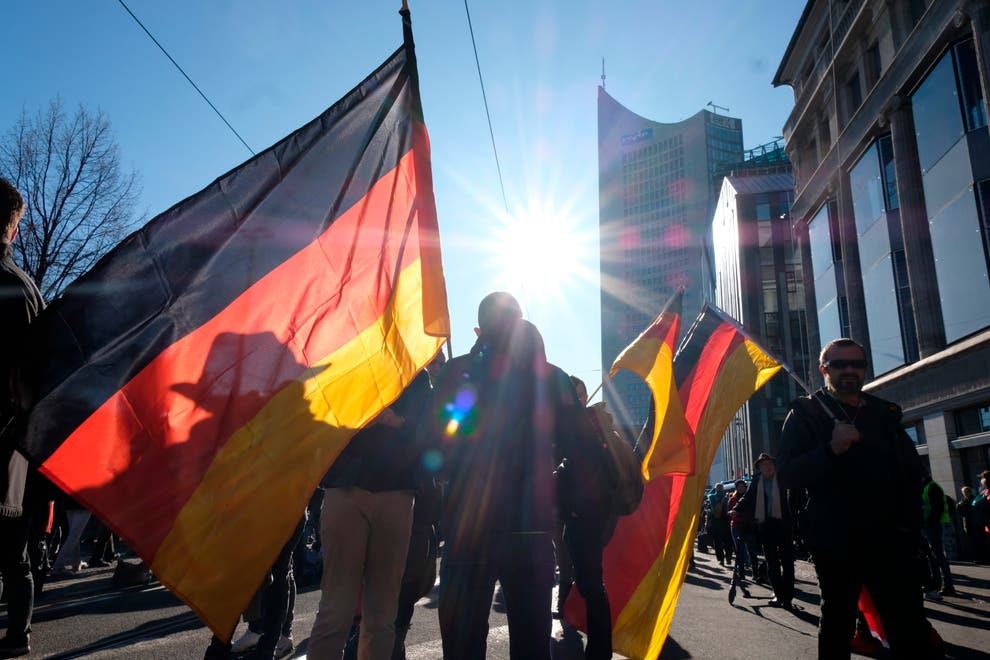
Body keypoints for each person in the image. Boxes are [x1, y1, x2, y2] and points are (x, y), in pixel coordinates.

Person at [427, 292, 581, 659]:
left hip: (468, 529)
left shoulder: (458, 374)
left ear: (480, 328)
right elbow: (578, 450)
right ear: (520, 320)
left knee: (463, 646)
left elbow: (434, 446)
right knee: (531, 645)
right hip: (531, 531)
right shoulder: (550, 378)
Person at [777, 338, 933, 658]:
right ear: (824, 370)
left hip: (890, 536)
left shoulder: (883, 412)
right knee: (838, 620)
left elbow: (912, 471)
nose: (849, 370)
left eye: (857, 364)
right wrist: (830, 450)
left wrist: (912, 526)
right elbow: (788, 474)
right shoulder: (807, 412)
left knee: (906, 624)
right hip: (836, 539)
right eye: (839, 364)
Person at [307, 362, 432, 658]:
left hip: (397, 492)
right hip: (346, 488)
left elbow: (431, 434)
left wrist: (396, 421)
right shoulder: (346, 360)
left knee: (381, 615)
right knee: (335, 611)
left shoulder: (416, 371)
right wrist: (358, 416)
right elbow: (321, 415)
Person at [0, 178, 45, 658]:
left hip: (7, 430)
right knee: (14, 548)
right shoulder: (26, 287)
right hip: (15, 440)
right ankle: (19, 633)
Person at [555, 375, 614, 660]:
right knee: (587, 582)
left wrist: (577, 507)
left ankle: (599, 651)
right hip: (574, 519)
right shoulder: (572, 426)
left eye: (581, 394)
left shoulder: (595, 428)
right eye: (572, 395)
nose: (577, 399)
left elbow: (594, 476)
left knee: (592, 585)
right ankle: (596, 645)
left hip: (588, 519)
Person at [735, 453, 795, 608]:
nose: (767, 468)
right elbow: (747, 498)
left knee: (787, 562)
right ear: (760, 468)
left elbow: (795, 498)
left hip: (783, 525)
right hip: (766, 525)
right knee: (772, 562)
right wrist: (736, 509)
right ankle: (778, 593)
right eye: (763, 465)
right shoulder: (756, 481)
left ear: (774, 466)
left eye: (769, 465)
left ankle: (787, 596)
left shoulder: (783, 478)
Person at [921, 475, 956, 597]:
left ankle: (947, 585)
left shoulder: (931, 487)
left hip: (933, 526)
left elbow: (936, 508)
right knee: (934, 556)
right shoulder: (930, 486)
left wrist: (927, 523)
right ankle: (939, 584)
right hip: (932, 525)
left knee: (937, 556)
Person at [727, 479, 759, 582]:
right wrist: (737, 515)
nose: (742, 488)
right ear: (736, 488)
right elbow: (730, 513)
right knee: (740, 551)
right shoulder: (733, 499)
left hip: (749, 526)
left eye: (743, 486)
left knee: (752, 551)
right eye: (740, 486)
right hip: (737, 526)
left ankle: (756, 574)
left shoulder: (749, 498)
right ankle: (741, 573)